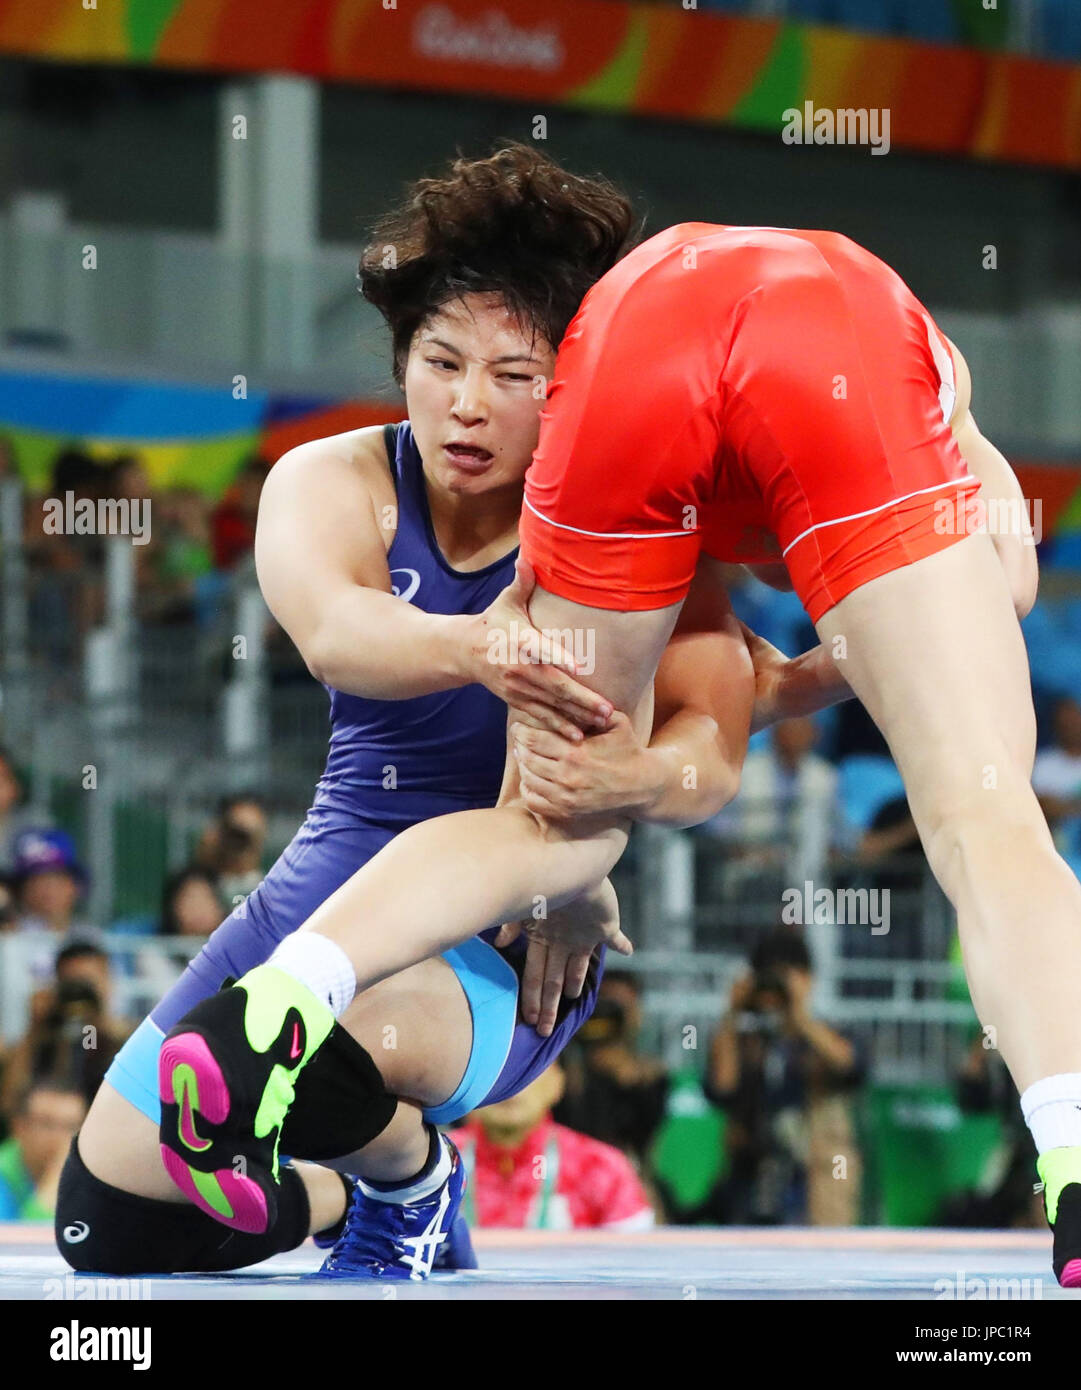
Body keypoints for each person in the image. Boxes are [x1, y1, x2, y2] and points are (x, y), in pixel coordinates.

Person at [159, 213, 1081, 1285]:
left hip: (636, 350)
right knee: (986, 821)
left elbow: (646, 772)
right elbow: (988, 595)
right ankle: (1069, 1151)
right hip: (841, 337)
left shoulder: (678, 461)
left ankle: (291, 987)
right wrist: (858, 653)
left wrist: (595, 835)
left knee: (542, 821)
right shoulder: (936, 458)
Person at [63, 149, 825, 1281]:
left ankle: (402, 1176)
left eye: (516, 375)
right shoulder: (330, 480)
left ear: (574, 389)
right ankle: (377, 1191)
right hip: (327, 885)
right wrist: (481, 647)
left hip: (503, 938)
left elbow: (710, 744)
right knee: (106, 1225)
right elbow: (336, 632)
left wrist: (602, 824)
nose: (467, 404)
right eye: (440, 361)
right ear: (402, 360)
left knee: (311, 1058)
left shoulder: (627, 538)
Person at [707, 930, 864, 1225]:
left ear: (809, 979)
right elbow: (722, 1088)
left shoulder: (832, 1031)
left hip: (821, 1170)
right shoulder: (743, 1037)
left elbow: (849, 1066)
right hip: (753, 1172)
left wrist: (799, 1016)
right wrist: (732, 1013)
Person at [448, 1064, 654, 1231]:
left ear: (556, 1084)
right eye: (496, 1067)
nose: (510, 1083)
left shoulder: (602, 1167)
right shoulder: (433, 1161)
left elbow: (633, 1265)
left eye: (529, 1067)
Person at [0, 1081, 87, 1220]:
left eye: (72, 1127)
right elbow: (25, 1239)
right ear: (19, 1127)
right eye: (48, 1125)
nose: (61, 1138)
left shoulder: (86, 1175)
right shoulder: (3, 1173)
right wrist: (55, 1179)